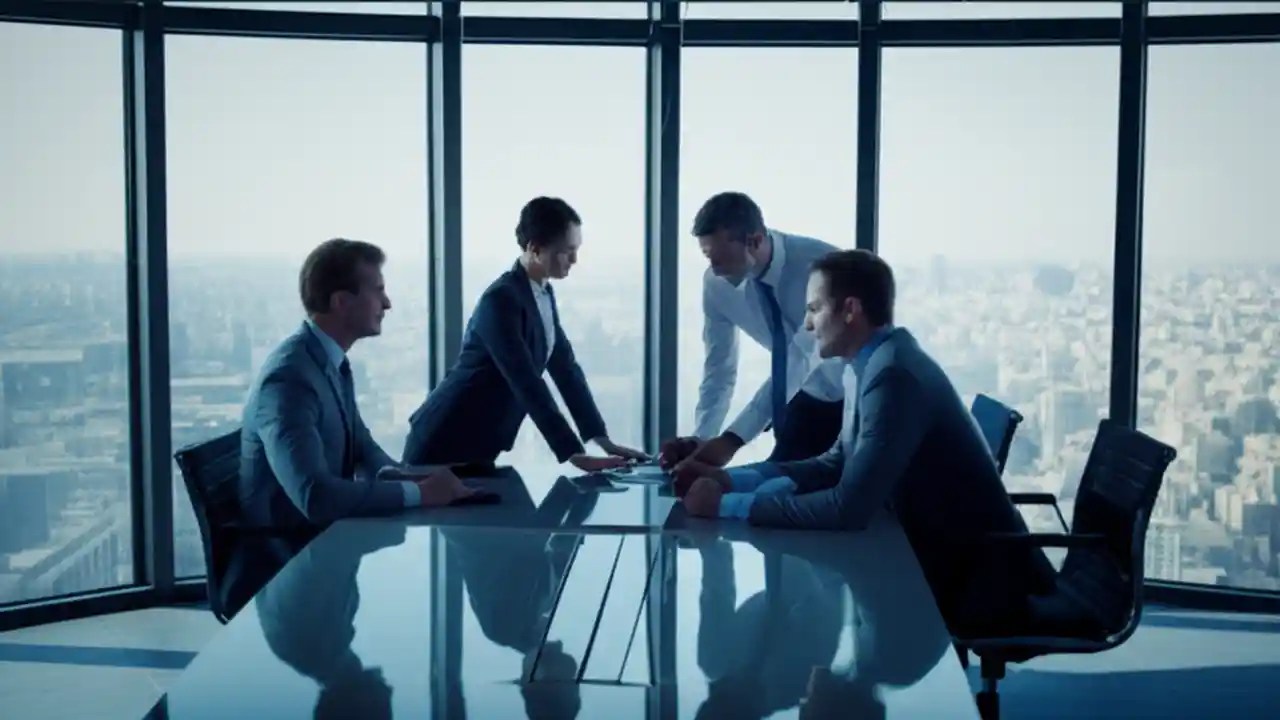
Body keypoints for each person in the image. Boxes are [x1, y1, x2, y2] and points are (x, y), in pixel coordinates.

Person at [679, 249, 1057, 637]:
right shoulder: (868, 364)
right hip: (926, 556)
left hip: (975, 581)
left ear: (850, 310)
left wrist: (727, 506)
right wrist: (734, 480)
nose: (807, 325)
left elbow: (848, 509)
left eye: (814, 309)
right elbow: (835, 462)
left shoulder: (893, 375)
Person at [238, 238, 478, 530]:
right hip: (293, 552)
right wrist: (420, 494)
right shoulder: (289, 379)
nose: (387, 303)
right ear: (341, 302)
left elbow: (363, 449)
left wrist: (415, 480)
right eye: (378, 291)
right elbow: (315, 497)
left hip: (330, 539)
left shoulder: (328, 362)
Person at [403, 196, 646, 473]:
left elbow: (566, 371)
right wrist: (574, 454)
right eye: (566, 251)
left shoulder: (543, 293)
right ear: (535, 249)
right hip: (442, 441)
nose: (574, 260)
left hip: (479, 445)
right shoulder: (501, 299)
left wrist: (601, 439)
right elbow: (526, 381)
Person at [658, 191, 846, 472]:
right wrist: (703, 440)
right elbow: (719, 368)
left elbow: (801, 358)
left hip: (857, 398)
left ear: (755, 241)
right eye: (709, 257)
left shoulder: (821, 266)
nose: (714, 269)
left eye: (721, 258)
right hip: (804, 398)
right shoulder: (717, 286)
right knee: (775, 482)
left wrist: (733, 439)